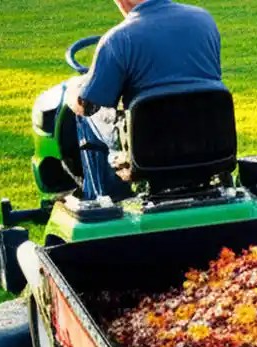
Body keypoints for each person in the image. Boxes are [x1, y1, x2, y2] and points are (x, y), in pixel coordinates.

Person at [67, 0, 224, 200]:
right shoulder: (204, 20)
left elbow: (87, 104)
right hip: (206, 139)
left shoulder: (119, 38)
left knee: (85, 115)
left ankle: (102, 200)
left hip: (151, 142)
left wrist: (73, 90)